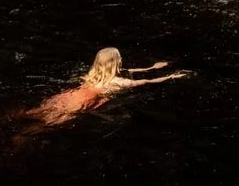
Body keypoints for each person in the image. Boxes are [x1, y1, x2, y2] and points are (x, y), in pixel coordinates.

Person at [16, 47, 189, 133]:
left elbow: (133, 71)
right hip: (81, 103)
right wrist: (171, 77)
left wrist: (152, 66)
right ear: (116, 63)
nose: (122, 59)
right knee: (42, 127)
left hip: (67, 97)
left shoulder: (93, 73)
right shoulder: (117, 82)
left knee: (34, 112)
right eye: (120, 58)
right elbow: (146, 82)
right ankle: (17, 141)